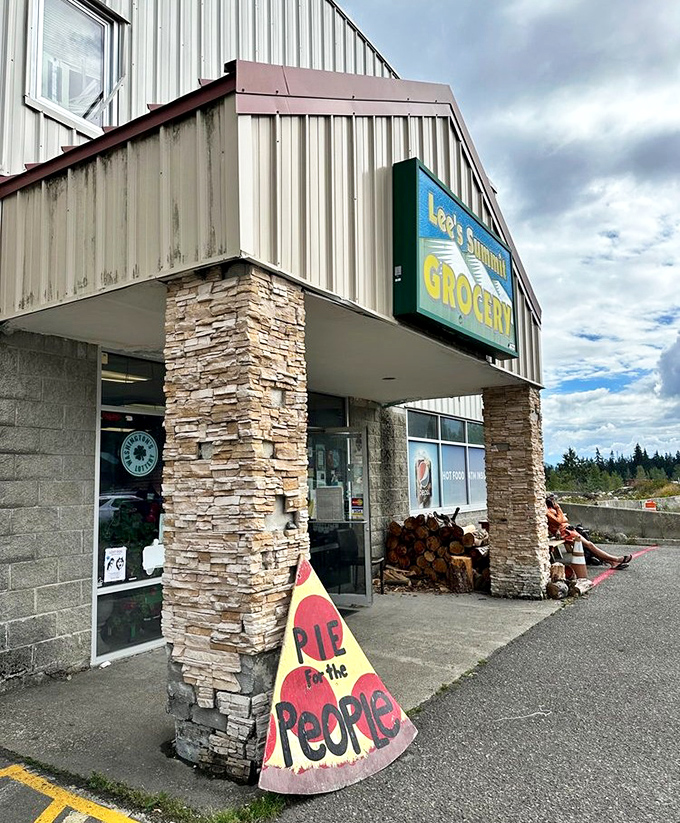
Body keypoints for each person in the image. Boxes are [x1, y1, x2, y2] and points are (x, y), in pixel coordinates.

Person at [545, 495, 632, 570]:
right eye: (552, 500)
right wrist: (558, 508)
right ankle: (616, 559)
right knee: (589, 545)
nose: (554, 502)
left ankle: (613, 562)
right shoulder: (547, 511)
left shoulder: (551, 509)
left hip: (568, 530)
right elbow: (559, 521)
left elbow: (564, 519)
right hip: (564, 533)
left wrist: (557, 510)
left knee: (589, 546)